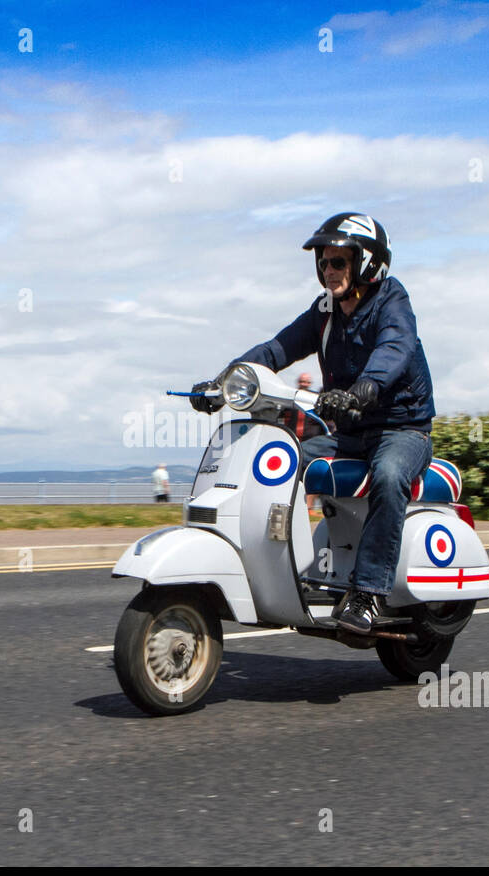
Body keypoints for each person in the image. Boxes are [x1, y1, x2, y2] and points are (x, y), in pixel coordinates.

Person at [189, 212, 435, 634]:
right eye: (324, 262)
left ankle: (368, 594)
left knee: (390, 475)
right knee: (282, 461)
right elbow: (276, 349)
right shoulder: (326, 311)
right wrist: (223, 380)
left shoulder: (393, 301)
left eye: (339, 262)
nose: (328, 270)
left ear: (367, 263)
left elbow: (395, 348)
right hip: (350, 434)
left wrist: (363, 390)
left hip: (402, 430)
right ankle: (283, 570)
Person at [277, 372, 325, 516]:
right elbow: (280, 418)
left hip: (313, 443)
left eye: (307, 382)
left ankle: (307, 510)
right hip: (293, 442)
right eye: (302, 381)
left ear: (310, 384)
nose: (304, 384)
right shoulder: (290, 401)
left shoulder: (316, 401)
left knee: (310, 476)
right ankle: (294, 508)